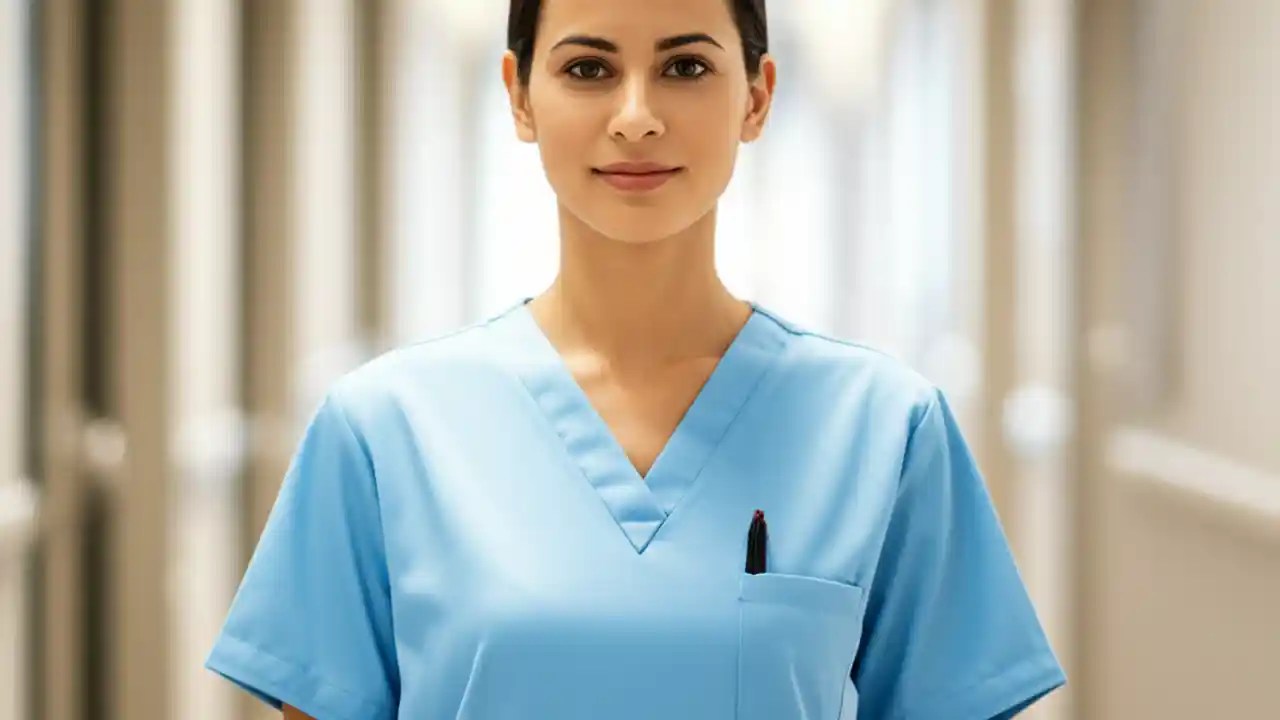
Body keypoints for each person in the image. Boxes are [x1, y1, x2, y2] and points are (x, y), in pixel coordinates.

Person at [205, 0, 1067, 717]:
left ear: (757, 99)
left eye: (686, 67)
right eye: (588, 69)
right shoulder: (385, 428)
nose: (636, 115)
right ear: (520, 97)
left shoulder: (882, 426)